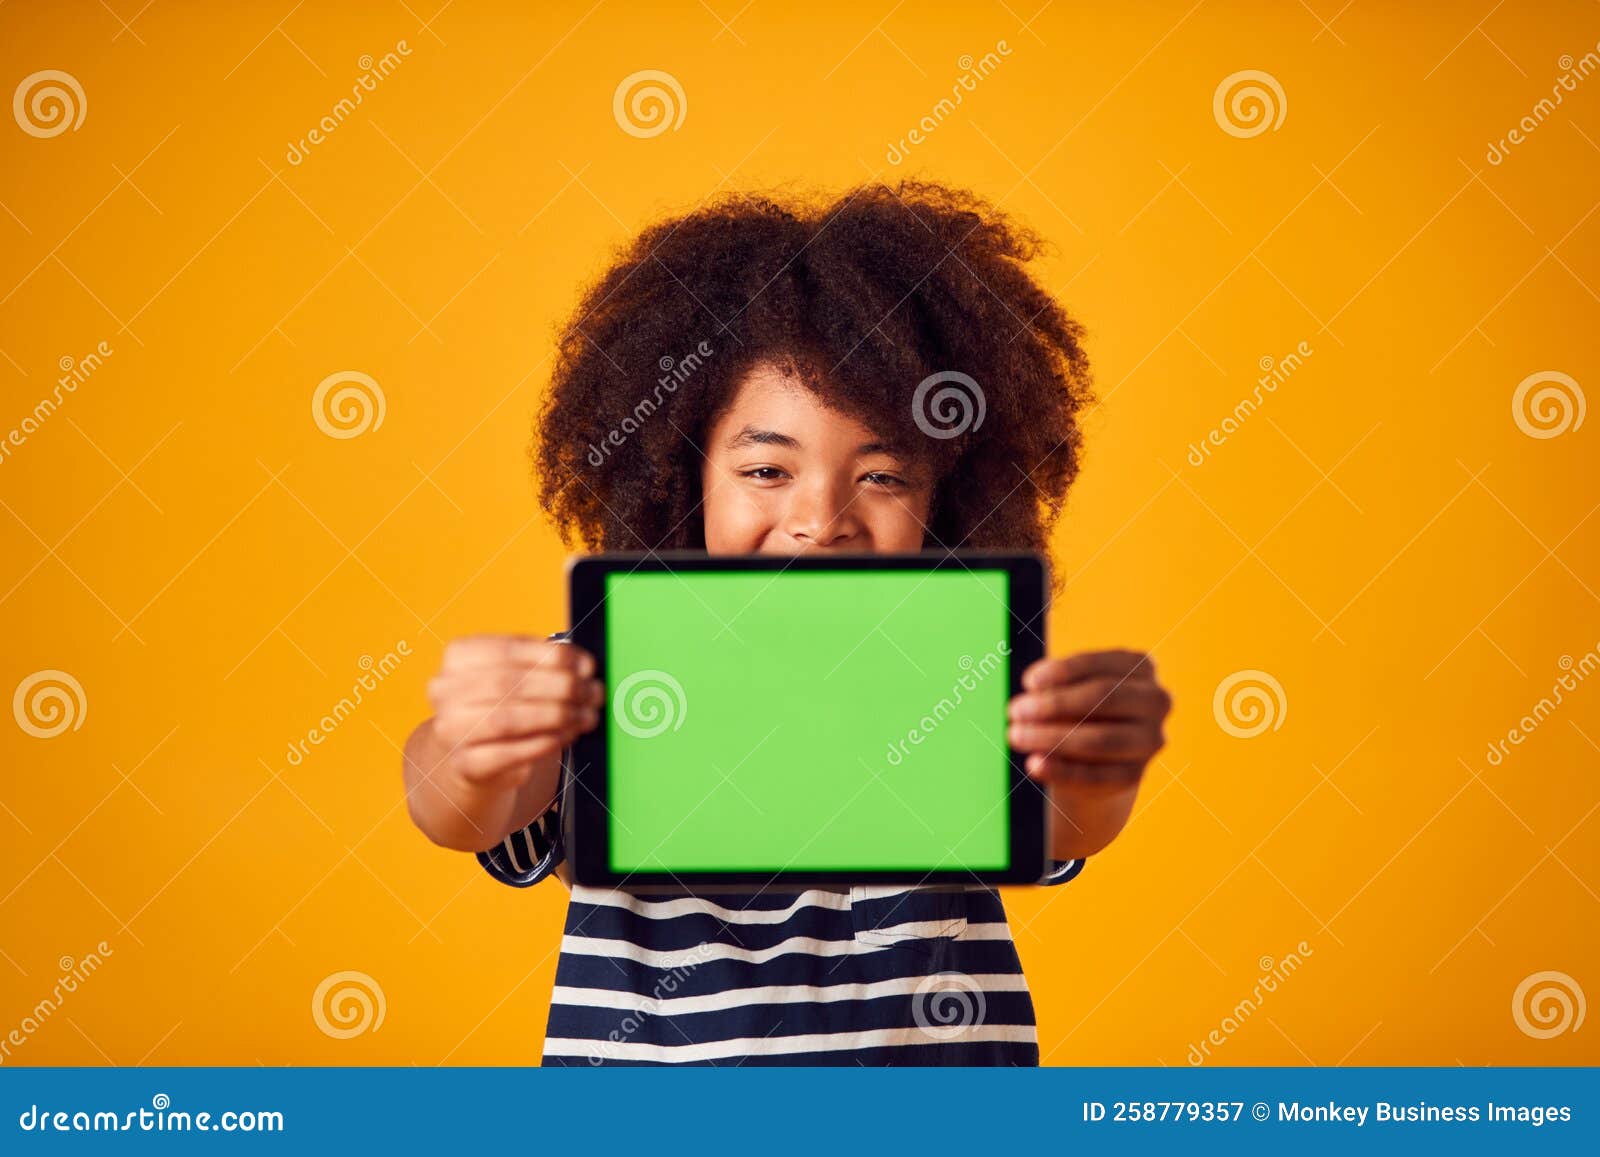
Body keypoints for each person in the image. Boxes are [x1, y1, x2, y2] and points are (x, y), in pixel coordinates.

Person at [401, 180, 1172, 1065]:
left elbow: (1067, 824)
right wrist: (473, 747)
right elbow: (457, 809)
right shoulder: (603, 671)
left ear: (948, 496)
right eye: (767, 471)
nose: (822, 519)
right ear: (677, 475)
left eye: (883, 477)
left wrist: (1093, 763)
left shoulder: (961, 672)